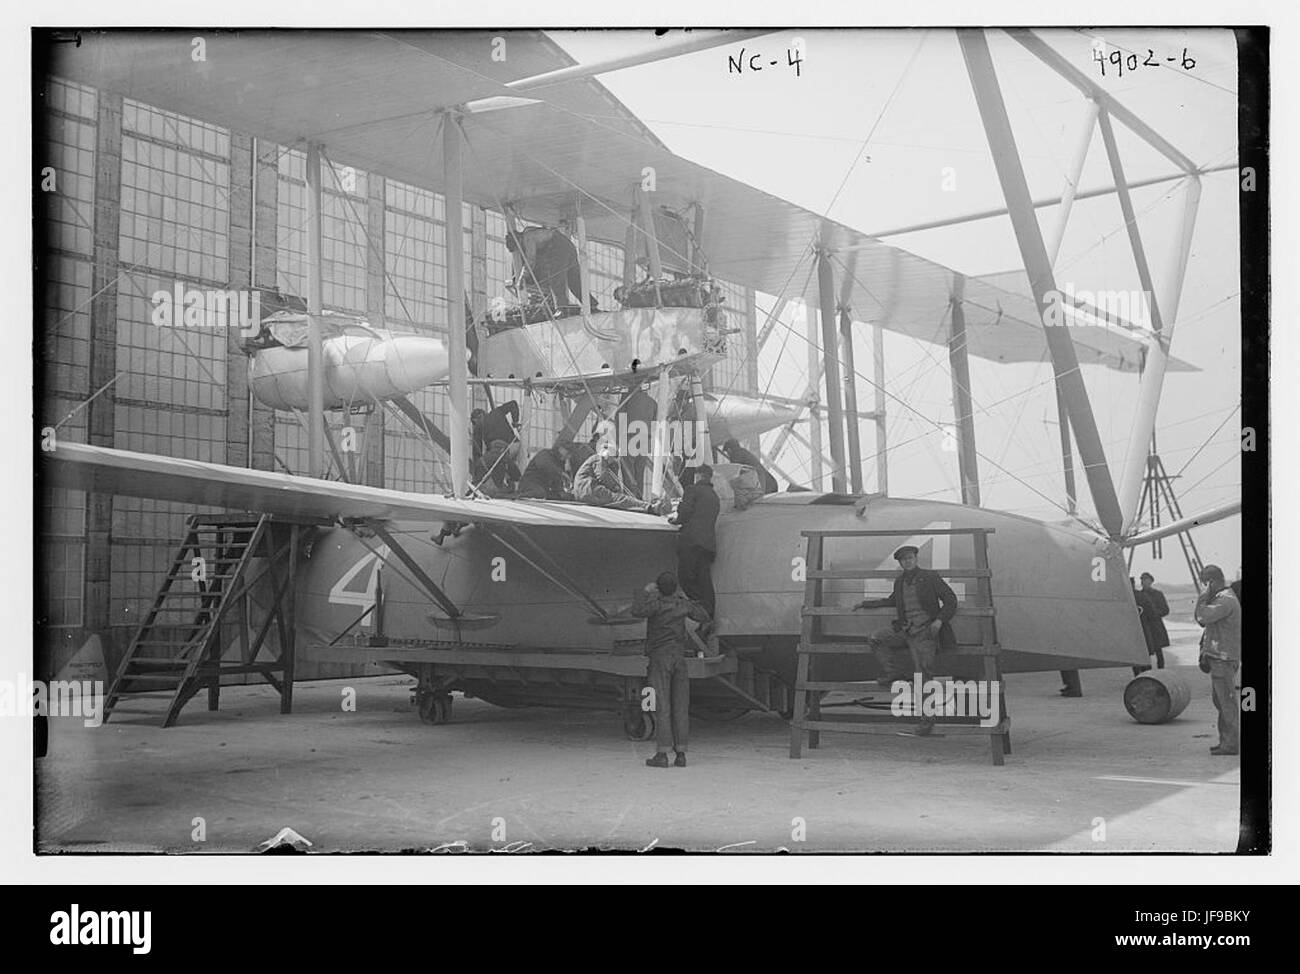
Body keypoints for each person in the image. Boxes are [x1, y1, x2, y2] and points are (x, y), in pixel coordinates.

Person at [854, 545, 958, 736]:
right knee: (876, 638)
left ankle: (926, 722)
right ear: (900, 563)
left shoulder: (930, 577)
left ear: (916, 558)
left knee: (923, 676)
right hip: (905, 630)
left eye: (910, 558)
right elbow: (891, 601)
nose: (907, 561)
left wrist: (939, 621)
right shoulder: (900, 581)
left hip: (926, 633)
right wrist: (865, 604)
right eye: (903, 560)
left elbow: (951, 600)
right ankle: (893, 671)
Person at [630, 571, 712, 768]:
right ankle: (681, 754)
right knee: (680, 706)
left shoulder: (655, 604)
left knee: (662, 705)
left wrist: (646, 591)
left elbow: (636, 610)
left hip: (660, 659)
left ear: (658, 588)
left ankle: (662, 754)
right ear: (675, 588)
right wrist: (682, 597)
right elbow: (704, 615)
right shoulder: (682, 604)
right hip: (679, 658)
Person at [1195, 564, 1241, 756]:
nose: (1204, 587)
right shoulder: (1224, 599)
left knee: (1226, 703)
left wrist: (1202, 597)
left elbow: (1201, 616)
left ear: (1211, 582)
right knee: (1221, 702)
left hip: (1223, 659)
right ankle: (1226, 741)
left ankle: (1230, 744)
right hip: (1222, 657)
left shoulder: (1224, 601)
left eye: (1205, 583)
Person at [505, 225, 598, 314]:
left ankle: (562, 308)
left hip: (558, 247)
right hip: (568, 246)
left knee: (555, 278)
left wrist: (522, 278)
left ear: (518, 240)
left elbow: (531, 260)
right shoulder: (530, 232)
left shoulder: (527, 238)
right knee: (573, 279)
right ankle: (591, 305)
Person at [670, 464, 720, 617]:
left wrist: (676, 520)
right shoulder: (714, 496)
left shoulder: (693, 489)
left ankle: (699, 609)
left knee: (685, 578)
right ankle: (709, 612)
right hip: (707, 544)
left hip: (691, 541)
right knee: (703, 579)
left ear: (698, 475)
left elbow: (685, 512)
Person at [572, 446, 645, 511]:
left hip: (584, 492)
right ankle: (646, 506)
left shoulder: (597, 460)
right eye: (613, 456)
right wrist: (615, 487)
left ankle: (643, 505)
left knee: (620, 499)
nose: (613, 460)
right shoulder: (599, 458)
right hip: (590, 491)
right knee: (621, 499)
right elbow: (602, 476)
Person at [471, 401, 523, 492]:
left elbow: (477, 450)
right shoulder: (497, 411)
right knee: (508, 466)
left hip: (500, 450)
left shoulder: (479, 425)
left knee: (493, 464)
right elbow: (513, 404)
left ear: (478, 418)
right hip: (515, 445)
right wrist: (515, 422)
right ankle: (512, 483)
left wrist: (477, 468)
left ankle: (501, 487)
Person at [1138, 571, 1171, 668]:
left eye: (1146, 580)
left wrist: (1155, 614)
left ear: (1151, 581)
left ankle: (1160, 672)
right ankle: (1148, 673)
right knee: (1146, 652)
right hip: (1144, 626)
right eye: (1143, 580)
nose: (1144, 582)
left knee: (1158, 651)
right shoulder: (1139, 595)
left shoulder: (1158, 594)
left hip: (1155, 626)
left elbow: (1165, 610)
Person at [1130, 577, 1153, 676]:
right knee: (1145, 655)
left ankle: (1137, 676)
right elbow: (1152, 612)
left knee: (1134, 657)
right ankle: (1146, 676)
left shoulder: (1122, 597)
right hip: (1143, 629)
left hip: (1129, 631)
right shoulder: (1142, 596)